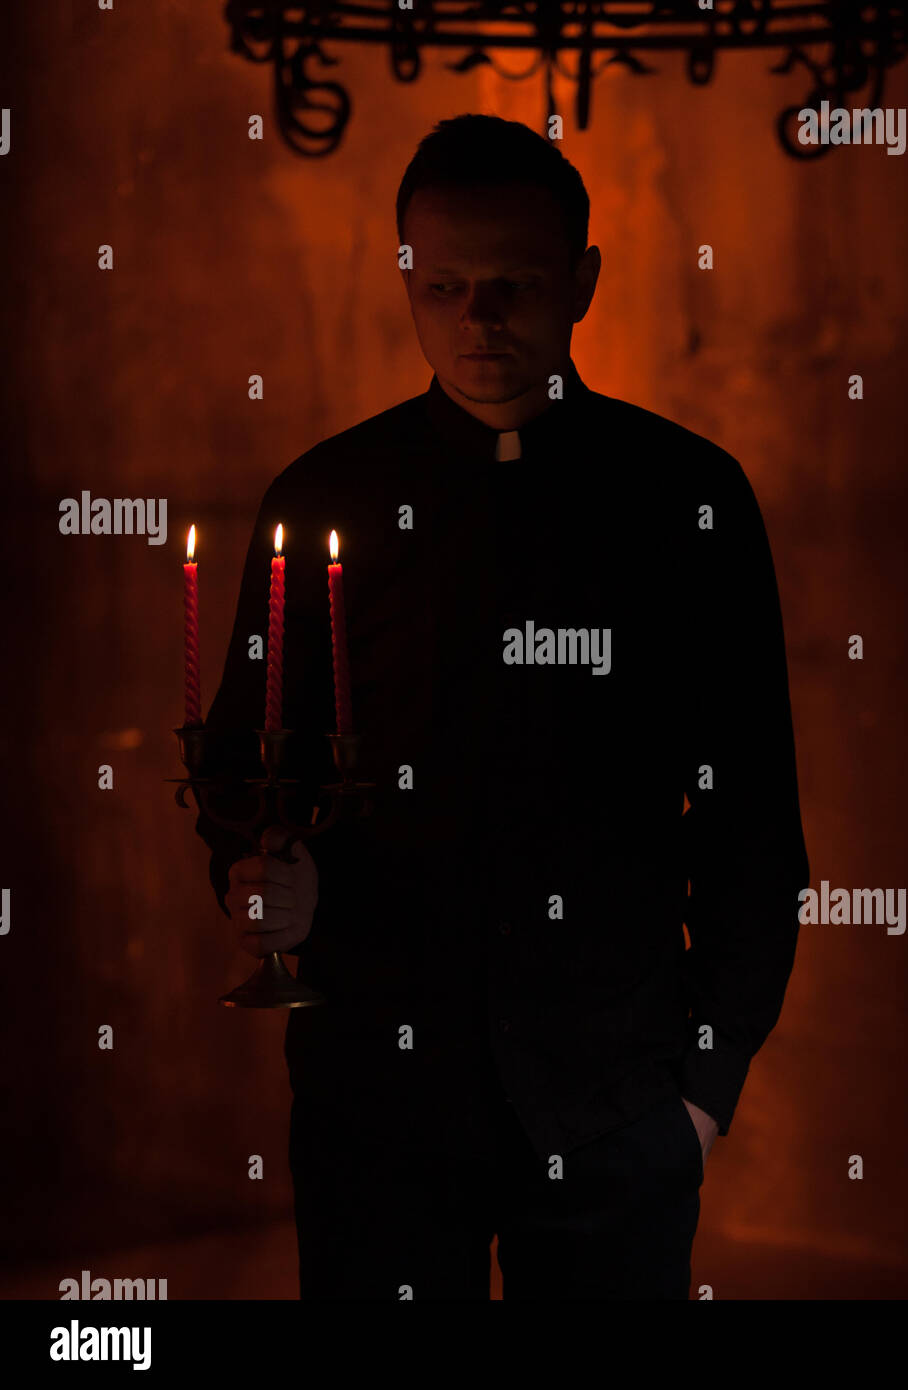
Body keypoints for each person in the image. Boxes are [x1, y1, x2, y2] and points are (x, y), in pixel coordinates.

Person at [195, 113, 809, 1300]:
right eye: (444, 285)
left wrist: (700, 1090)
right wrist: (268, 870)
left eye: (515, 285)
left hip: (618, 1099)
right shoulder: (325, 496)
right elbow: (241, 764)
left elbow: (754, 821)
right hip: (375, 1096)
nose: (477, 320)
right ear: (407, 280)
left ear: (580, 282)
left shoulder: (687, 496)